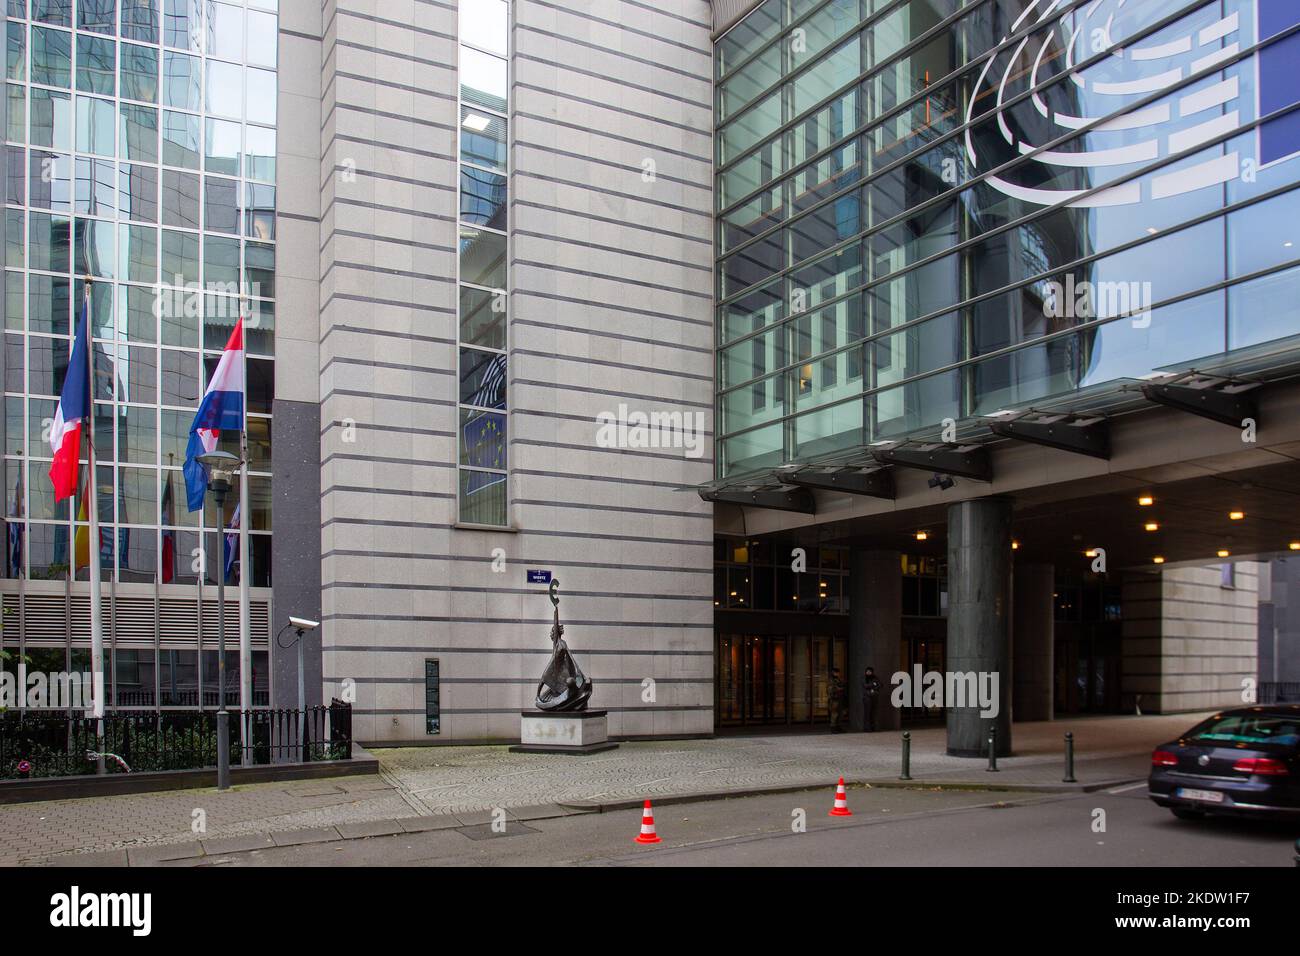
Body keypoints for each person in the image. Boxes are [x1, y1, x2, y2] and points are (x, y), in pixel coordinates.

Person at [863, 666, 882, 732]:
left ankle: (873, 727)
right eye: (867, 671)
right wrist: (874, 684)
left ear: (872, 672)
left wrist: (873, 688)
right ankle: (867, 728)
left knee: (873, 713)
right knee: (867, 713)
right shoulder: (864, 678)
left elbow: (880, 685)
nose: (868, 673)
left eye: (870, 671)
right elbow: (865, 686)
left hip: (874, 697)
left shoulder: (875, 678)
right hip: (867, 698)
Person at [828, 667, 846, 732]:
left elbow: (842, 686)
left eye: (837, 673)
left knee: (840, 713)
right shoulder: (831, 680)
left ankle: (838, 727)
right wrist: (839, 688)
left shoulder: (839, 679)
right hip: (834, 699)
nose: (837, 674)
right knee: (834, 714)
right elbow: (831, 689)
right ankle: (833, 727)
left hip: (840, 698)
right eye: (835, 672)